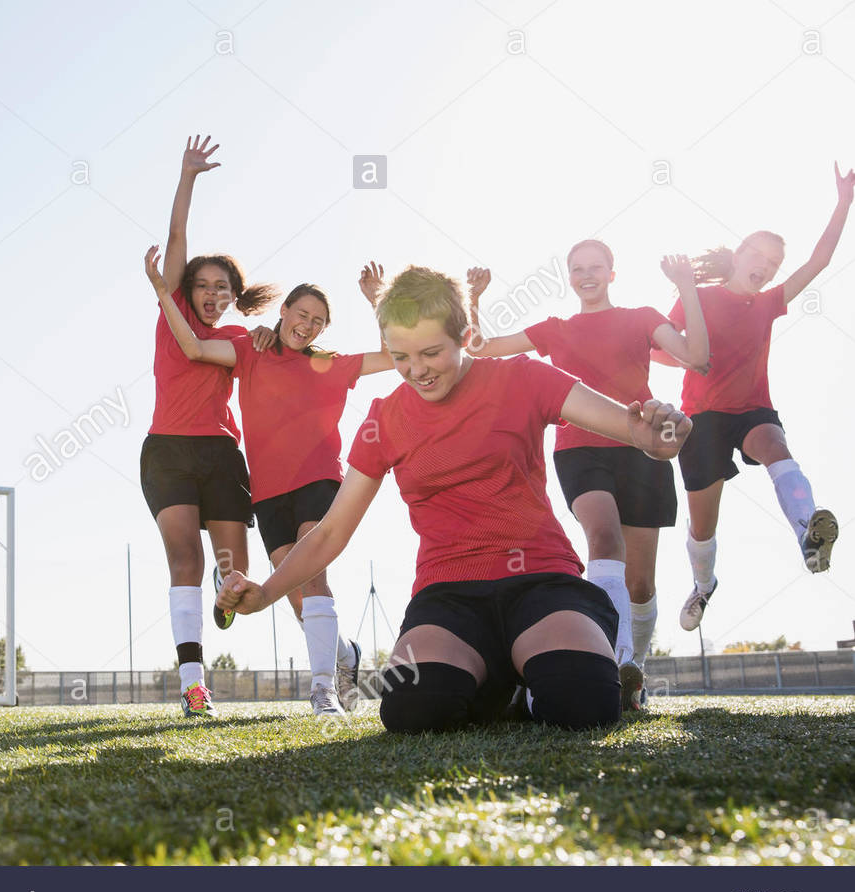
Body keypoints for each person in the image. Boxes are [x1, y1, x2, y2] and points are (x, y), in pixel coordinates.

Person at [217, 266, 691, 731]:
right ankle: (506, 684)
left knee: (585, 701)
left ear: (464, 336)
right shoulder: (384, 419)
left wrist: (655, 435)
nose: (416, 371)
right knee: (413, 710)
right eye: (401, 356)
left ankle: (528, 691)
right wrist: (266, 592)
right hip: (449, 594)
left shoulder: (521, 378)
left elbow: (629, 425)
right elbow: (331, 532)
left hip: (541, 580)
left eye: (430, 352)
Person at [145, 249, 395, 714]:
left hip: (320, 482)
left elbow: (396, 356)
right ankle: (346, 655)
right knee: (299, 599)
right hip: (267, 493)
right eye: (301, 314)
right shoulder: (249, 351)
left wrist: (377, 300)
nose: (308, 325)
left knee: (314, 579)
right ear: (283, 312)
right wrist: (164, 295)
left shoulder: (332, 364)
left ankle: (323, 693)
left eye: (318, 321)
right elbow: (196, 349)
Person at [464, 245, 708, 710]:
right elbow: (481, 353)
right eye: (578, 269)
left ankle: (633, 668)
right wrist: (475, 298)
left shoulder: (641, 317)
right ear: (570, 278)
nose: (586, 275)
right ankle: (608, 667)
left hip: (642, 448)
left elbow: (697, 356)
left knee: (640, 585)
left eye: (595, 267)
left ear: (612, 273)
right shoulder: (556, 329)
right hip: (579, 448)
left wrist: (688, 289)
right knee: (603, 537)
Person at [658, 163, 853, 631]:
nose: (765, 266)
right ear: (741, 253)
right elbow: (657, 349)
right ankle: (704, 586)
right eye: (758, 254)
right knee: (703, 526)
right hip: (701, 418)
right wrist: (689, 358)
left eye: (773, 263)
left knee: (776, 448)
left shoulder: (767, 303)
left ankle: (808, 531)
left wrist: (844, 202)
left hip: (752, 411)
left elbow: (820, 261)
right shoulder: (697, 297)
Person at [140, 135, 279, 717]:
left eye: (225, 288)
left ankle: (224, 602)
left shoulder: (240, 338)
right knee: (185, 563)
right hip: (168, 451)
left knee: (233, 574)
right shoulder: (169, 305)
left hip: (222, 454)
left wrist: (271, 338)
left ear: (233, 297)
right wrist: (188, 177)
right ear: (186, 288)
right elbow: (176, 240)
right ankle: (194, 685)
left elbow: (284, 362)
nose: (214, 294)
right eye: (205, 285)